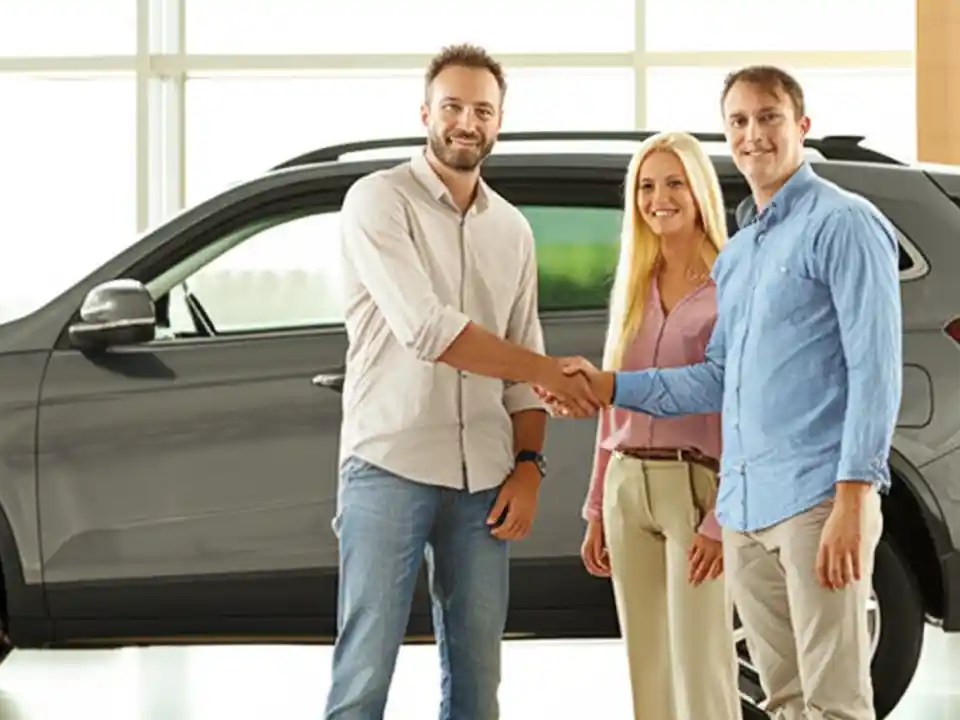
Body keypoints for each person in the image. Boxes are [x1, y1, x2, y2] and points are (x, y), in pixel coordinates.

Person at [554, 65, 902, 720]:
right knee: (784, 700)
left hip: (815, 502)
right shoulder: (739, 257)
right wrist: (608, 386)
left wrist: (855, 497)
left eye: (768, 117)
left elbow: (874, 367)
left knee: (836, 701)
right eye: (738, 122)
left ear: (801, 125)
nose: (753, 134)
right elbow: (714, 379)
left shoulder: (845, 224)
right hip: (745, 510)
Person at [323, 43, 599, 720]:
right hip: (389, 464)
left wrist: (530, 465)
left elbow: (521, 355)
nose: (466, 122)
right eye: (452, 107)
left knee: (479, 682)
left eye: (482, 110)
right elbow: (427, 329)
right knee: (364, 673)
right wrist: (546, 373)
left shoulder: (512, 229)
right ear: (426, 113)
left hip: (486, 483)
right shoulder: (378, 201)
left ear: (499, 122)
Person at [577, 130, 742, 720]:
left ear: (699, 191)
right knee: (648, 674)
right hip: (627, 489)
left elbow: (740, 409)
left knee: (703, 669)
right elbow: (610, 403)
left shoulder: (732, 286)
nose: (659, 197)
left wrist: (722, 520)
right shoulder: (633, 285)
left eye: (674, 182)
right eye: (646, 186)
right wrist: (597, 508)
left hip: (697, 491)